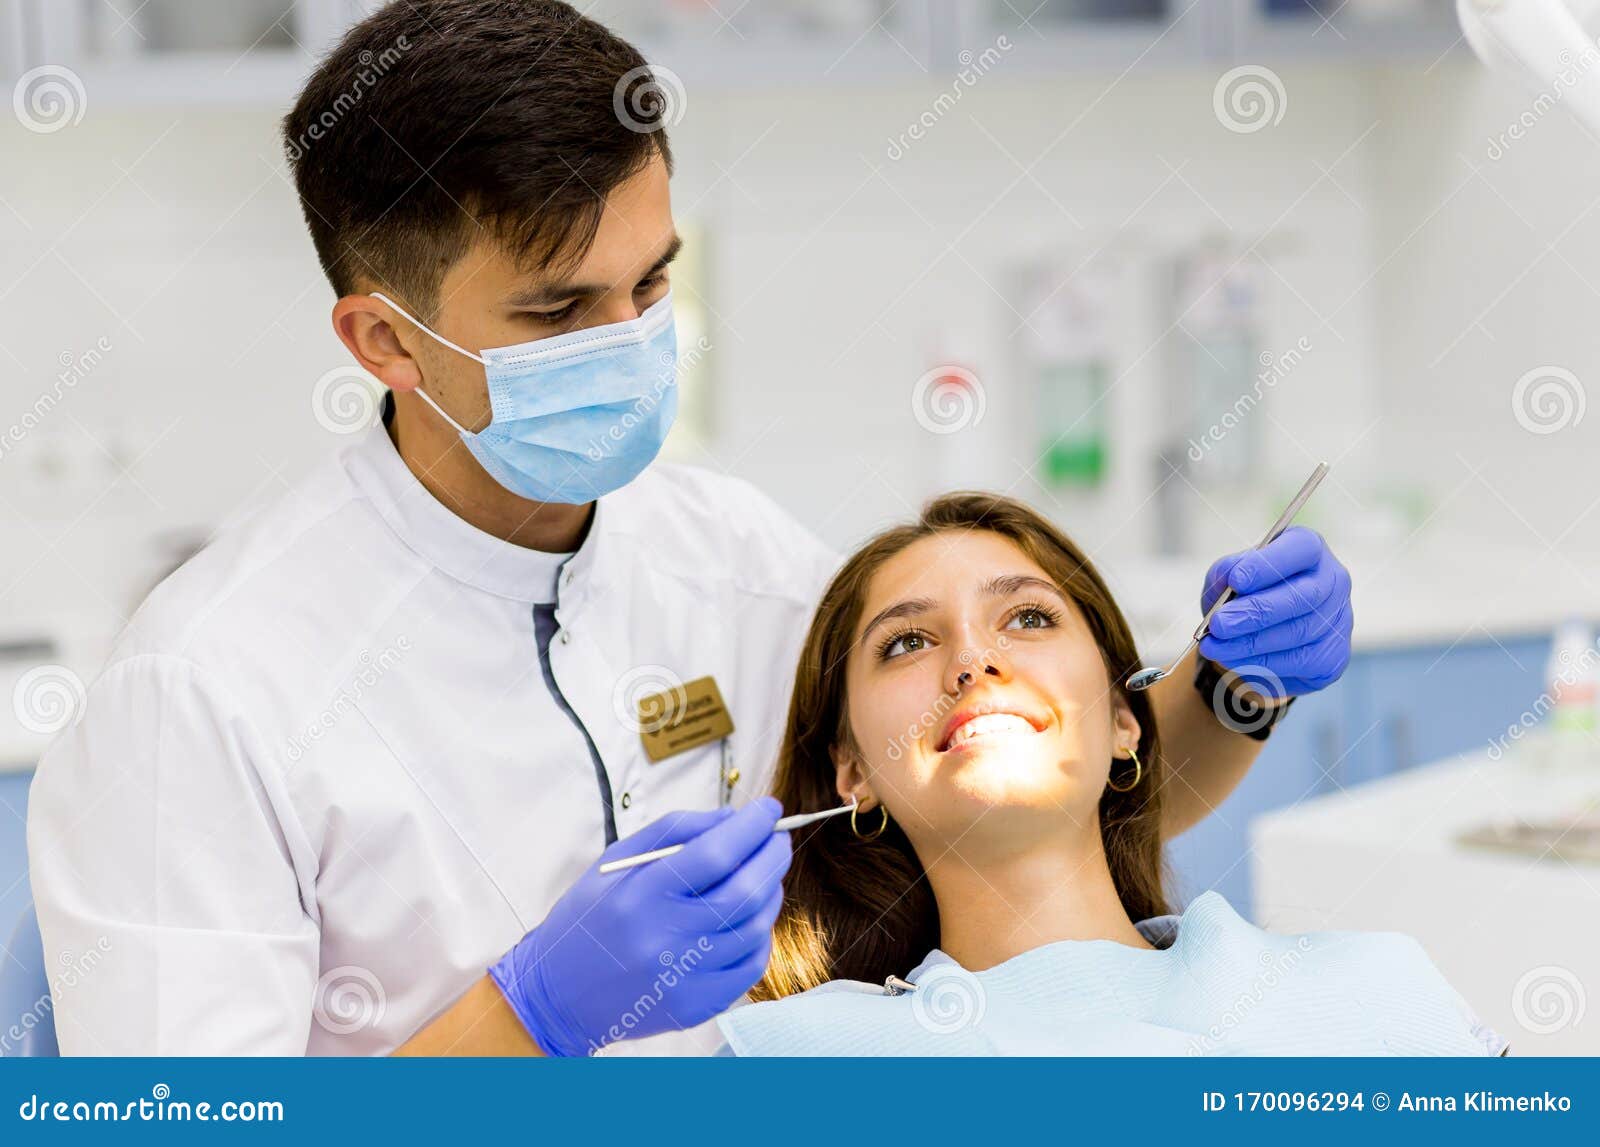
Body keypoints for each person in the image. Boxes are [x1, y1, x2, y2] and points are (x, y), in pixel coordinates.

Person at [25, 0, 1353, 1057]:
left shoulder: (731, 555)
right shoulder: (199, 694)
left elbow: (1021, 813)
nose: (627, 343)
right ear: (385, 340)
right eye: (557, 312)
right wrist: (527, 1016)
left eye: (652, 283)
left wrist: (1230, 691)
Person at [712, 493, 1500, 1056]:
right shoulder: (793, 1060)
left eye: (1028, 617)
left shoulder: (1378, 989)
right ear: (854, 771)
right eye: (907, 642)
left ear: (1126, 720)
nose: (973, 660)